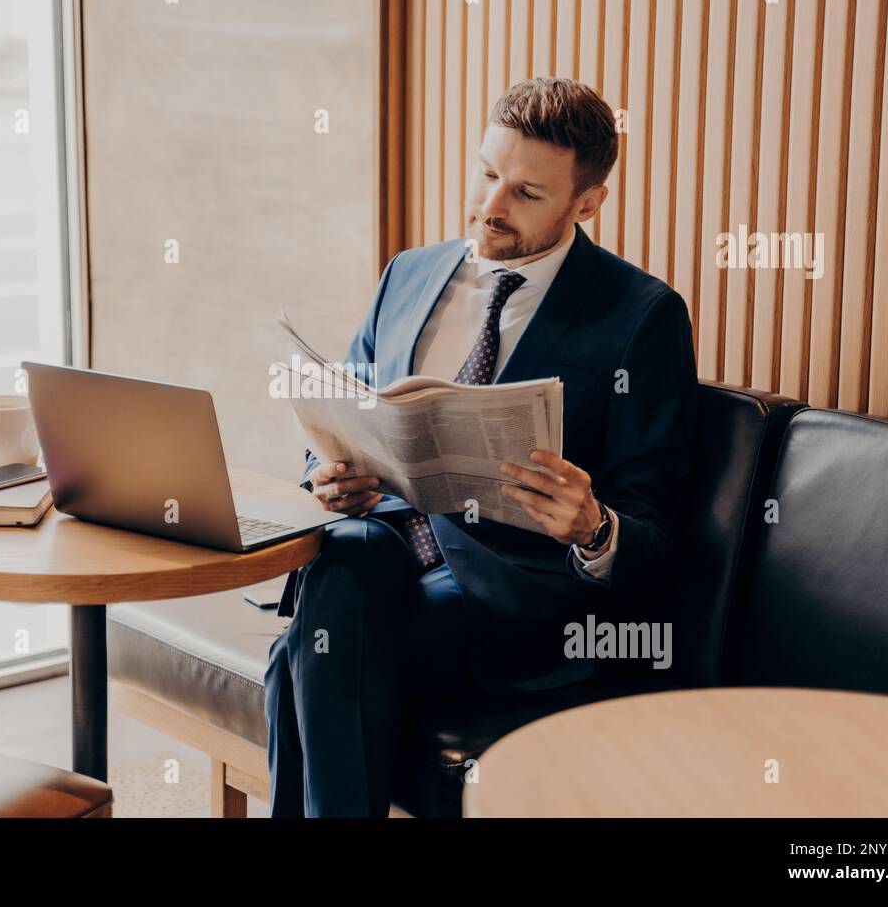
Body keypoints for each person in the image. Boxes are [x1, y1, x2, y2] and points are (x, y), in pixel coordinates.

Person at [264, 77, 698, 817]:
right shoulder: (410, 273)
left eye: (527, 193)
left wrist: (593, 528)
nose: (491, 206)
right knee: (341, 565)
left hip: (512, 597)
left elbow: (654, 529)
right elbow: (342, 415)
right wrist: (328, 476)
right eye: (487, 171)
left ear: (586, 203)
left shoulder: (640, 317)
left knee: (307, 652)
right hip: (385, 549)